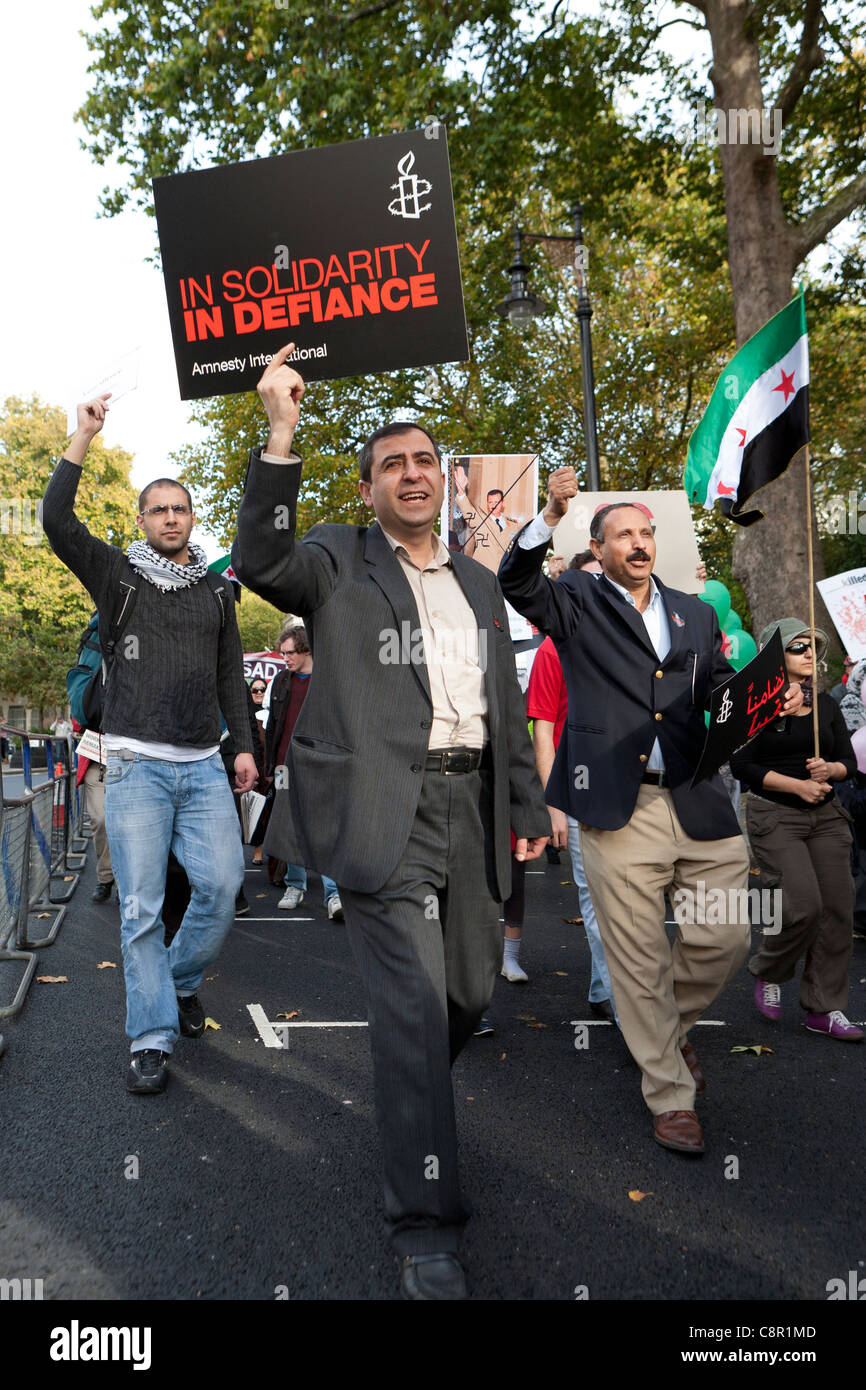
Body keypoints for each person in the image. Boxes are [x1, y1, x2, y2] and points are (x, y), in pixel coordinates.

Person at [231, 342, 549, 1299]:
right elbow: (259, 558)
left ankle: (414, 1101)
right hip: (380, 810)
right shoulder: (334, 557)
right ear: (367, 487)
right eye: (391, 465)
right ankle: (425, 1228)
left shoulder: (482, 586)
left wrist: (527, 805)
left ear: (444, 481)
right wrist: (280, 429)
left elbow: (500, 699)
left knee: (470, 997)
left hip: (470, 805)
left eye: (425, 462)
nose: (411, 475)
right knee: (412, 1013)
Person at [499, 469, 803, 1156]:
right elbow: (516, 581)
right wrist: (548, 514)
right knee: (636, 960)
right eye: (622, 535)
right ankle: (670, 1093)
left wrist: (767, 699)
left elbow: (721, 689)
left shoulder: (694, 612)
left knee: (724, 938)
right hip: (618, 805)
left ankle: (663, 1033)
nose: (637, 544)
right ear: (599, 548)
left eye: (645, 533)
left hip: (699, 799)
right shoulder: (575, 600)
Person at [42, 394, 257, 1096]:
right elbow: (56, 522)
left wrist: (244, 749)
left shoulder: (217, 593)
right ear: (141, 520)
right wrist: (82, 438)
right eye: (158, 509)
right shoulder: (117, 576)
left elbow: (231, 677)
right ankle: (151, 1035)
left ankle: (181, 980)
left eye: (181, 508)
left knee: (222, 888)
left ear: (193, 518)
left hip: (202, 766)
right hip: (134, 764)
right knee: (140, 908)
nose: (171, 518)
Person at [730, 620, 863, 1041]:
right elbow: (742, 767)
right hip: (776, 815)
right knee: (802, 906)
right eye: (797, 647)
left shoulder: (826, 703)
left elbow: (849, 762)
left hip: (827, 818)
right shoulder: (758, 703)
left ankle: (824, 1009)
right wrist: (797, 785)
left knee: (839, 909)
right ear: (776, 657)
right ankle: (769, 970)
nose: (809, 653)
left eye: (812, 647)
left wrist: (831, 769)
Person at [264, 624, 341, 919]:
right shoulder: (281, 680)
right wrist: (270, 766)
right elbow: (273, 725)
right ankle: (295, 885)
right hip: (285, 763)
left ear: (306, 649)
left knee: (324, 828)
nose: (285, 658)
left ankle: (332, 893)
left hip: (321, 763)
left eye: (290, 652)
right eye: (282, 653)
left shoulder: (327, 679)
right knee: (290, 827)